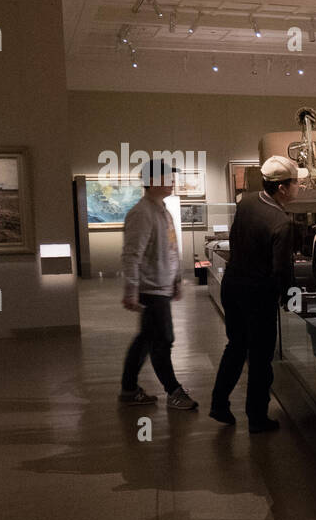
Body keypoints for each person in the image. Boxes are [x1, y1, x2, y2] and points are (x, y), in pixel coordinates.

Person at [209, 156, 299, 432]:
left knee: (235, 347)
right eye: (296, 183)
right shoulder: (281, 222)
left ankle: (219, 405)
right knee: (261, 358)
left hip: (233, 285)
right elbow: (282, 270)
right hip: (258, 296)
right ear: (282, 188)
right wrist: (291, 298)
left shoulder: (246, 201)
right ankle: (257, 418)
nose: (299, 187)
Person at [119, 160, 199, 410]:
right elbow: (132, 255)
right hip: (151, 289)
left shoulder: (162, 210)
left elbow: (171, 249)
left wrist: (175, 280)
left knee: (146, 339)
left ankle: (129, 389)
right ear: (152, 182)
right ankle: (173, 391)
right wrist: (131, 290)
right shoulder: (141, 214)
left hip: (161, 287)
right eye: (167, 177)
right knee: (162, 340)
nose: (172, 181)